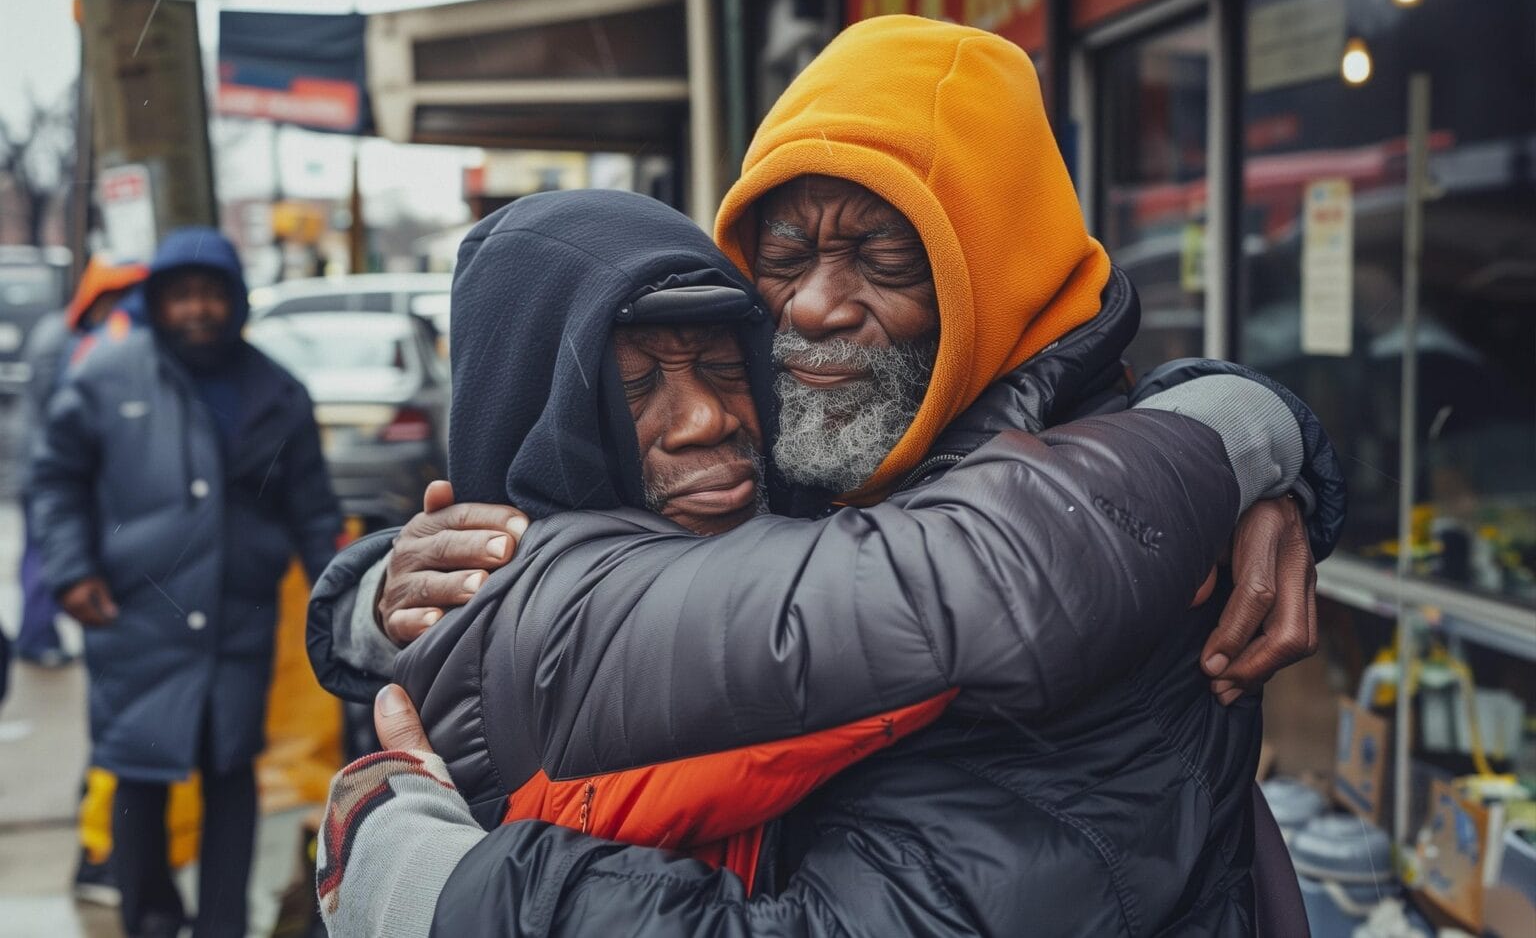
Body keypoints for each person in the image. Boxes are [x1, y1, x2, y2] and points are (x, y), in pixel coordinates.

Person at [312, 182, 1338, 935]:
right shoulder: (543, 601)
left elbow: (969, 551)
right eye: (635, 386)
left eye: (726, 364)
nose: (710, 415)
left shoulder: (828, 511)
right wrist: (1240, 432)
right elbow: (981, 560)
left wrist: (1243, 438)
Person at [30, 227, 343, 938]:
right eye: (181, 295)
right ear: (157, 301)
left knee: (231, 772)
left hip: (239, 617)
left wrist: (343, 599)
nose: (197, 309)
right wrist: (71, 572)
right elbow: (56, 481)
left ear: (235, 300)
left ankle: (221, 925)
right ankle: (149, 919)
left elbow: (313, 509)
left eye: (211, 294)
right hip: (135, 613)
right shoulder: (106, 377)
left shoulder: (277, 391)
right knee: (136, 772)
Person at [16, 252, 146, 668]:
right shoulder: (70, 339)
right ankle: (37, 637)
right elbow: (60, 414)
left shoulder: (84, 335)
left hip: (50, 464)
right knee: (48, 553)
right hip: (45, 468)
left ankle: (40, 634)